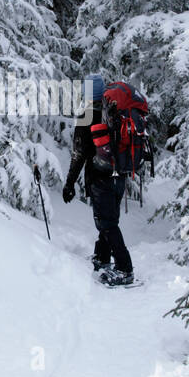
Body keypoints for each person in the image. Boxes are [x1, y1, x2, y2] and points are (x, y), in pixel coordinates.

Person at [62, 74, 134, 287]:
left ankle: (125, 268)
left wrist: (69, 183)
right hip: (119, 176)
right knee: (109, 219)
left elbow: (79, 154)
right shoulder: (114, 111)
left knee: (107, 222)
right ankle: (102, 257)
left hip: (100, 178)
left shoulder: (87, 115)